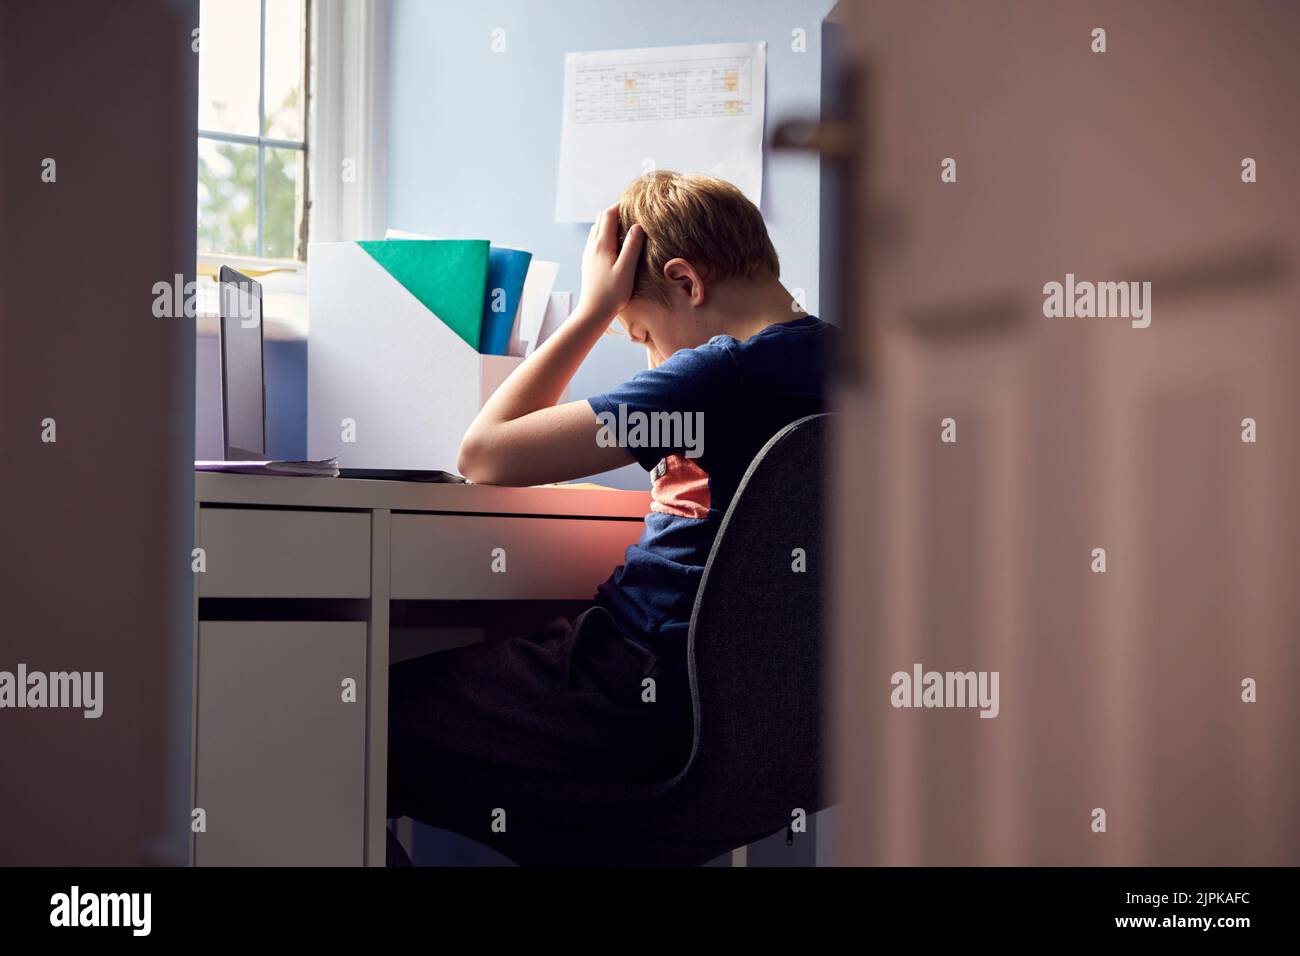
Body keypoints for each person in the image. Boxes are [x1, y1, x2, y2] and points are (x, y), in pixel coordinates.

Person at [386, 171, 833, 864]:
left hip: (632, 702)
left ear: (686, 283)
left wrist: (593, 309)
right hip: (788, 736)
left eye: (644, 334)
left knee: (361, 716)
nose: (653, 361)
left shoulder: (717, 374)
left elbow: (483, 454)